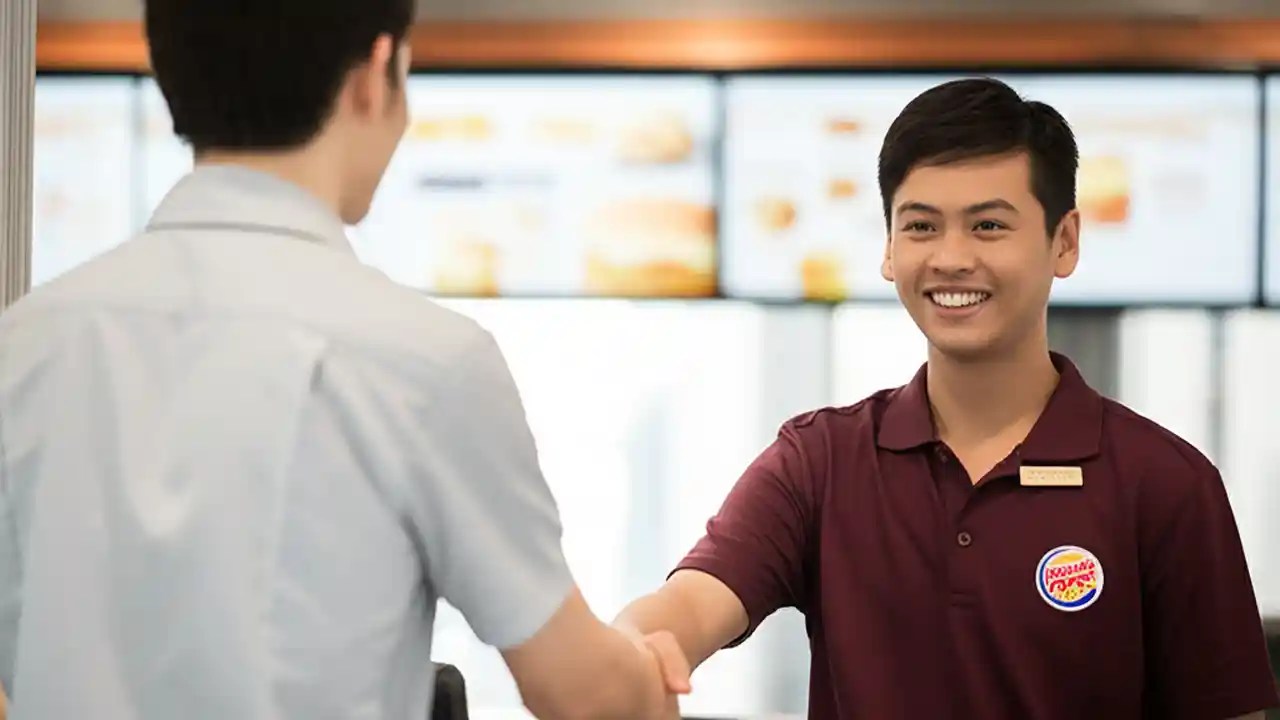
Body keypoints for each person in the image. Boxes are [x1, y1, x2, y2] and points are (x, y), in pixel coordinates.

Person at [0, 1, 690, 718]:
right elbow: (583, 694)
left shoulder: (25, 343)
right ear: (375, 73)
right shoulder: (426, 362)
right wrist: (647, 675)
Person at [616, 77, 1280, 719]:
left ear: (1065, 241)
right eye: (921, 227)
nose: (951, 258)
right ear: (889, 247)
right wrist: (638, 647)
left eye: (987, 225)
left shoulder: (1165, 483)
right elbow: (695, 602)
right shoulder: (820, 461)